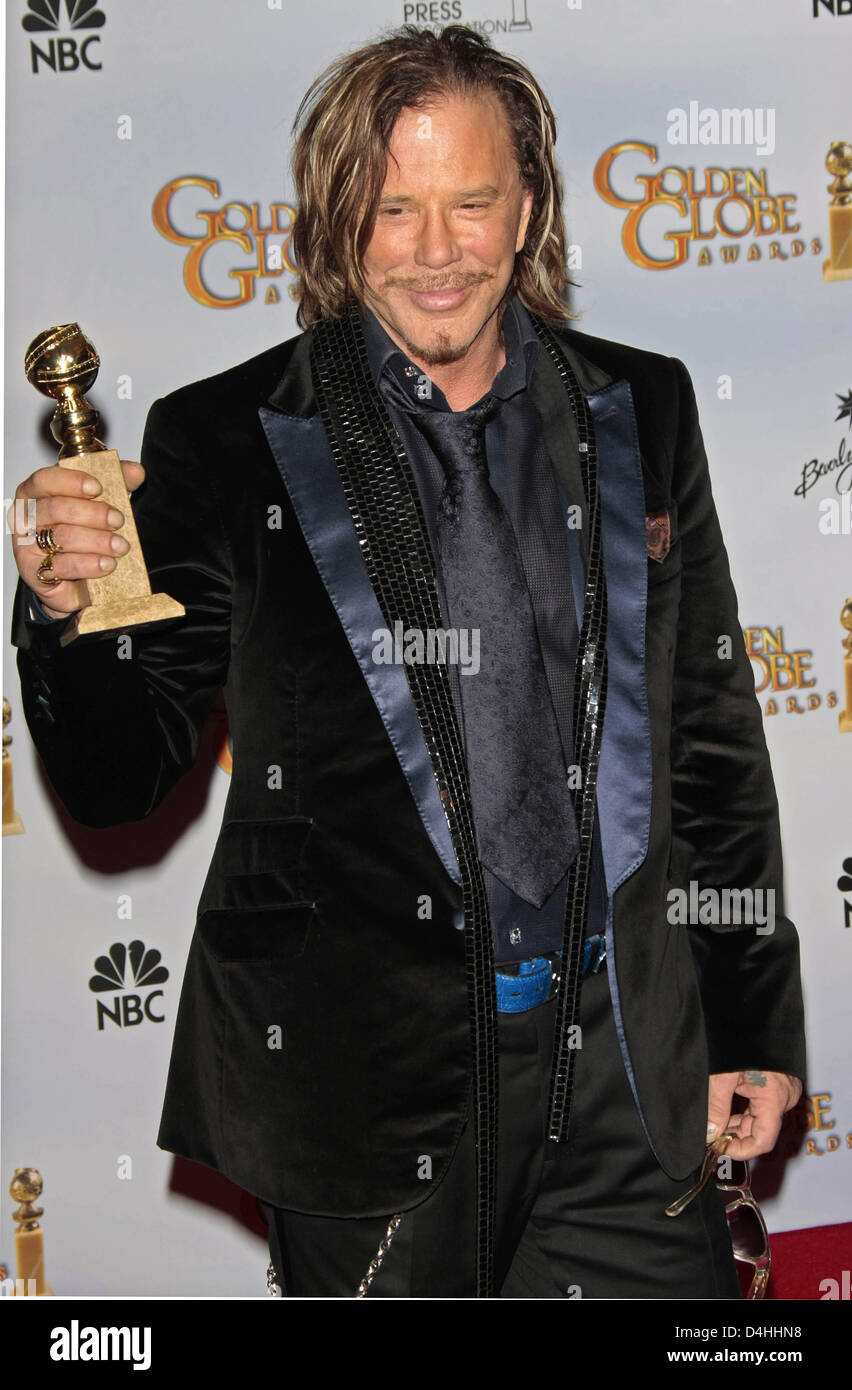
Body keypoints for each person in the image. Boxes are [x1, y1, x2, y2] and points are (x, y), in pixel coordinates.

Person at [9, 25, 805, 1299]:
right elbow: (117, 779)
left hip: (622, 1068)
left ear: (528, 205)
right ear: (336, 223)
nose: (437, 252)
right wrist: (61, 614)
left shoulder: (641, 406)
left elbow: (710, 730)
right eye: (393, 210)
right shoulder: (227, 439)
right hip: (372, 1091)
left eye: (472, 202)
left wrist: (753, 1016)